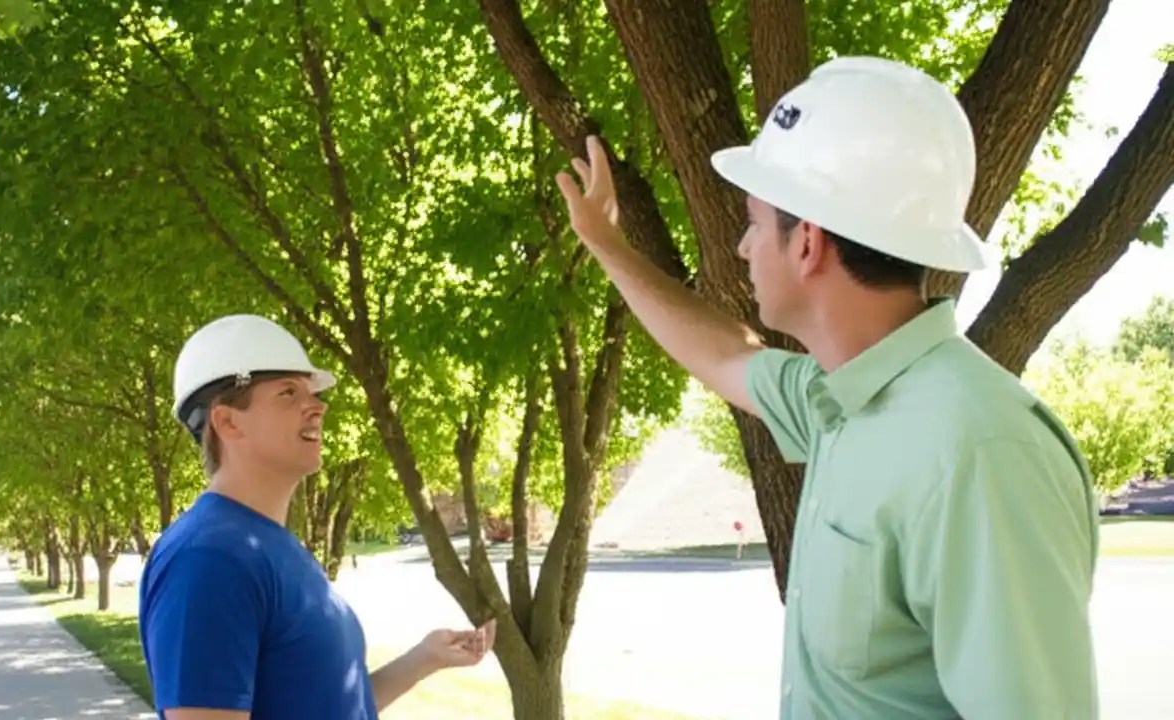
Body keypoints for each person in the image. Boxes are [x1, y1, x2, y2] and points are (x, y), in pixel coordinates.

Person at [555, 56, 1098, 719]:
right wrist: (609, 245)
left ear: (808, 241)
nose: (742, 248)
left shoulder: (980, 450)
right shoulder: (834, 403)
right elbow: (724, 354)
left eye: (754, 223)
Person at [139, 314, 496, 720]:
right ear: (227, 421)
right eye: (288, 393)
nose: (318, 407)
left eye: (311, 392)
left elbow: (333, 704)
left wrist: (424, 658)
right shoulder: (209, 558)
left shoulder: (272, 546)